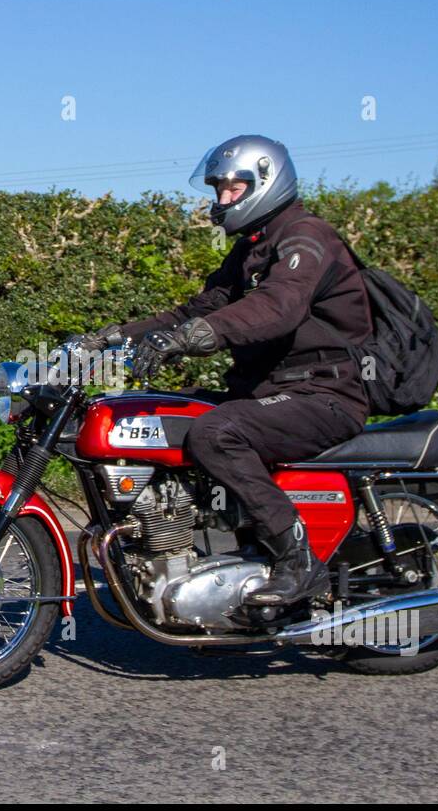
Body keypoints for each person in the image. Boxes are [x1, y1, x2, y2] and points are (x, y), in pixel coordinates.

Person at [83, 135, 373, 607]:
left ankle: (297, 562)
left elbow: (278, 307)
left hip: (324, 395)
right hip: (269, 393)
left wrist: (194, 338)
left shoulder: (306, 236)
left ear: (266, 180)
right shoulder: (251, 249)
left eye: (232, 188)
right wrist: (112, 336)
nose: (221, 199)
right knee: (174, 414)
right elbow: (197, 309)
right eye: (217, 188)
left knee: (217, 434)